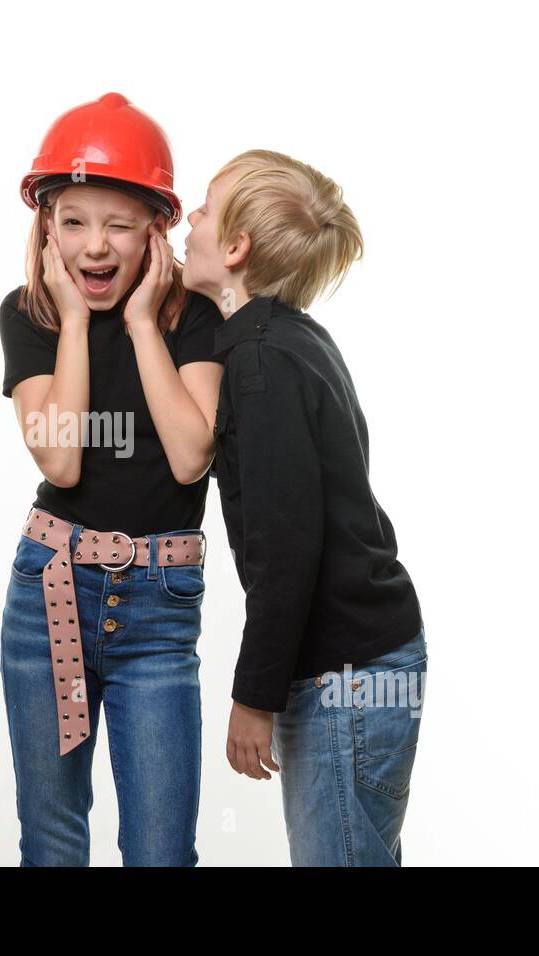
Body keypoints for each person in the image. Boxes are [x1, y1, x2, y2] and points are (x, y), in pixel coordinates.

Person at [181, 149, 427, 866]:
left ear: (235, 248)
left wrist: (253, 699)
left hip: (347, 676)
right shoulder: (288, 339)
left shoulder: (260, 369)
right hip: (370, 659)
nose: (188, 219)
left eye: (203, 207)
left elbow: (288, 548)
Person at [0, 92, 225, 866]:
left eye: (118, 224)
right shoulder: (28, 314)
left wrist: (137, 322)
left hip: (160, 607)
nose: (95, 246)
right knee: (53, 842)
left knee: (162, 851)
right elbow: (59, 457)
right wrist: (72, 324)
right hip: (50, 593)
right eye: (74, 222)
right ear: (46, 227)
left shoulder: (194, 316)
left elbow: (192, 454)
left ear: (155, 231)